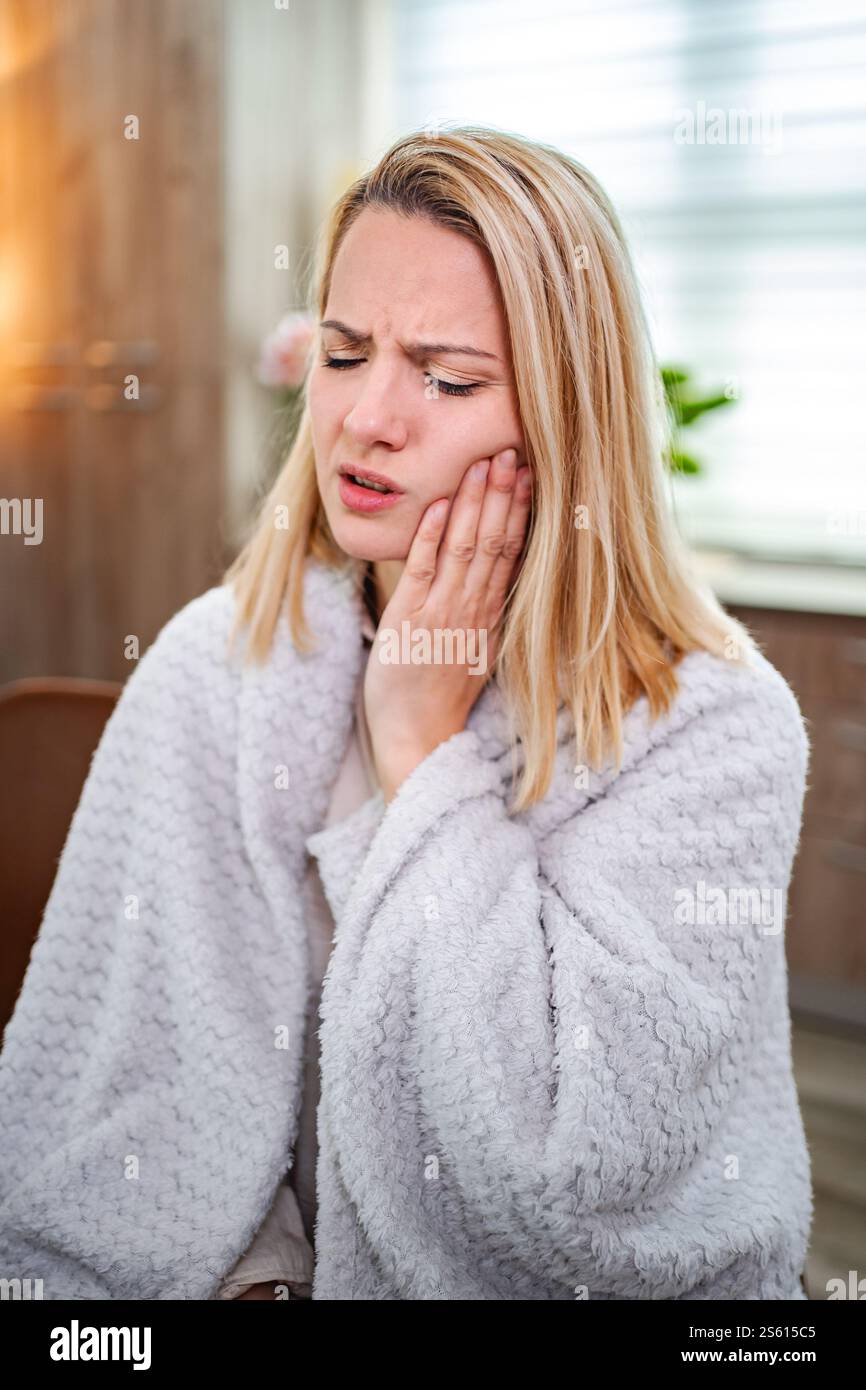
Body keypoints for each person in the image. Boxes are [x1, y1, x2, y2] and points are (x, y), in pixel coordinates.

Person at [0, 125, 812, 1301]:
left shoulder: (712, 728)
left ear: (567, 421)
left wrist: (424, 750)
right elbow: (130, 1115)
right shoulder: (217, 667)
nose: (366, 418)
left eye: (445, 377)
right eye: (342, 353)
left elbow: (568, 1187)